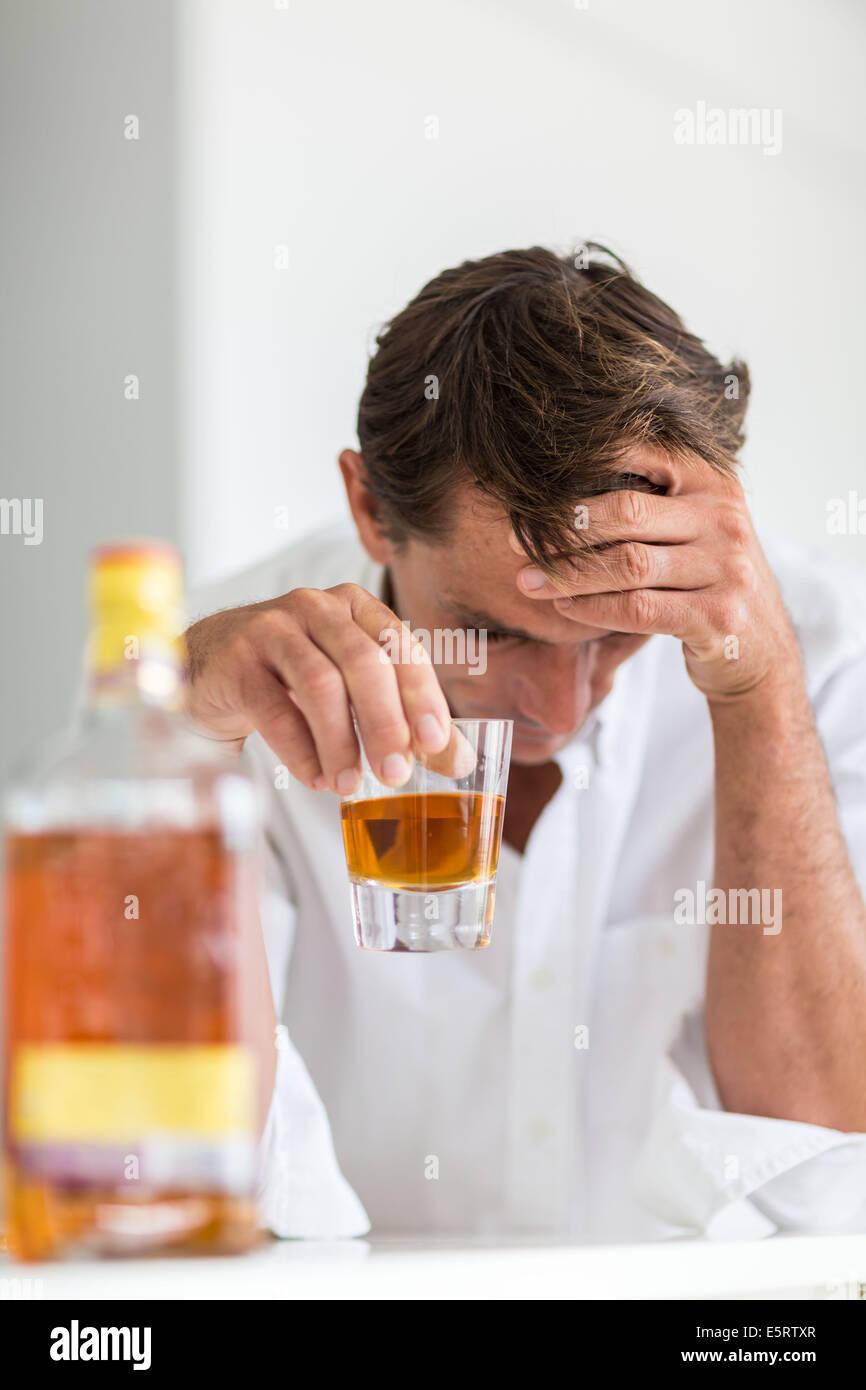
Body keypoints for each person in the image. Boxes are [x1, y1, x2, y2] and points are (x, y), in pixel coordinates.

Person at [185, 244, 866, 1241]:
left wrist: (757, 694)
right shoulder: (212, 686)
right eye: (493, 634)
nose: (557, 712)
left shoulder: (824, 646)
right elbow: (151, 1157)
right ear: (371, 508)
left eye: (613, 635)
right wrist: (177, 753)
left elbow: (830, 1176)